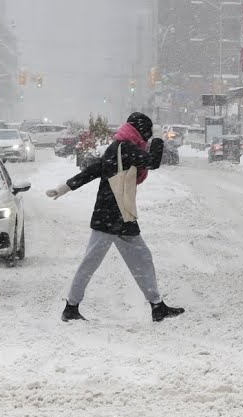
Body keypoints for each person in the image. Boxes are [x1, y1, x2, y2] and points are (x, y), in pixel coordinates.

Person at [45, 112, 184, 323]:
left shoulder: (117, 147)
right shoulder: (127, 149)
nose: (147, 138)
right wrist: (158, 142)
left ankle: (157, 305)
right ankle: (71, 307)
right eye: (147, 133)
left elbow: (92, 170)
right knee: (93, 262)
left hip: (117, 215)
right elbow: (153, 162)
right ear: (141, 132)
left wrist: (64, 188)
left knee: (139, 258)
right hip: (113, 216)